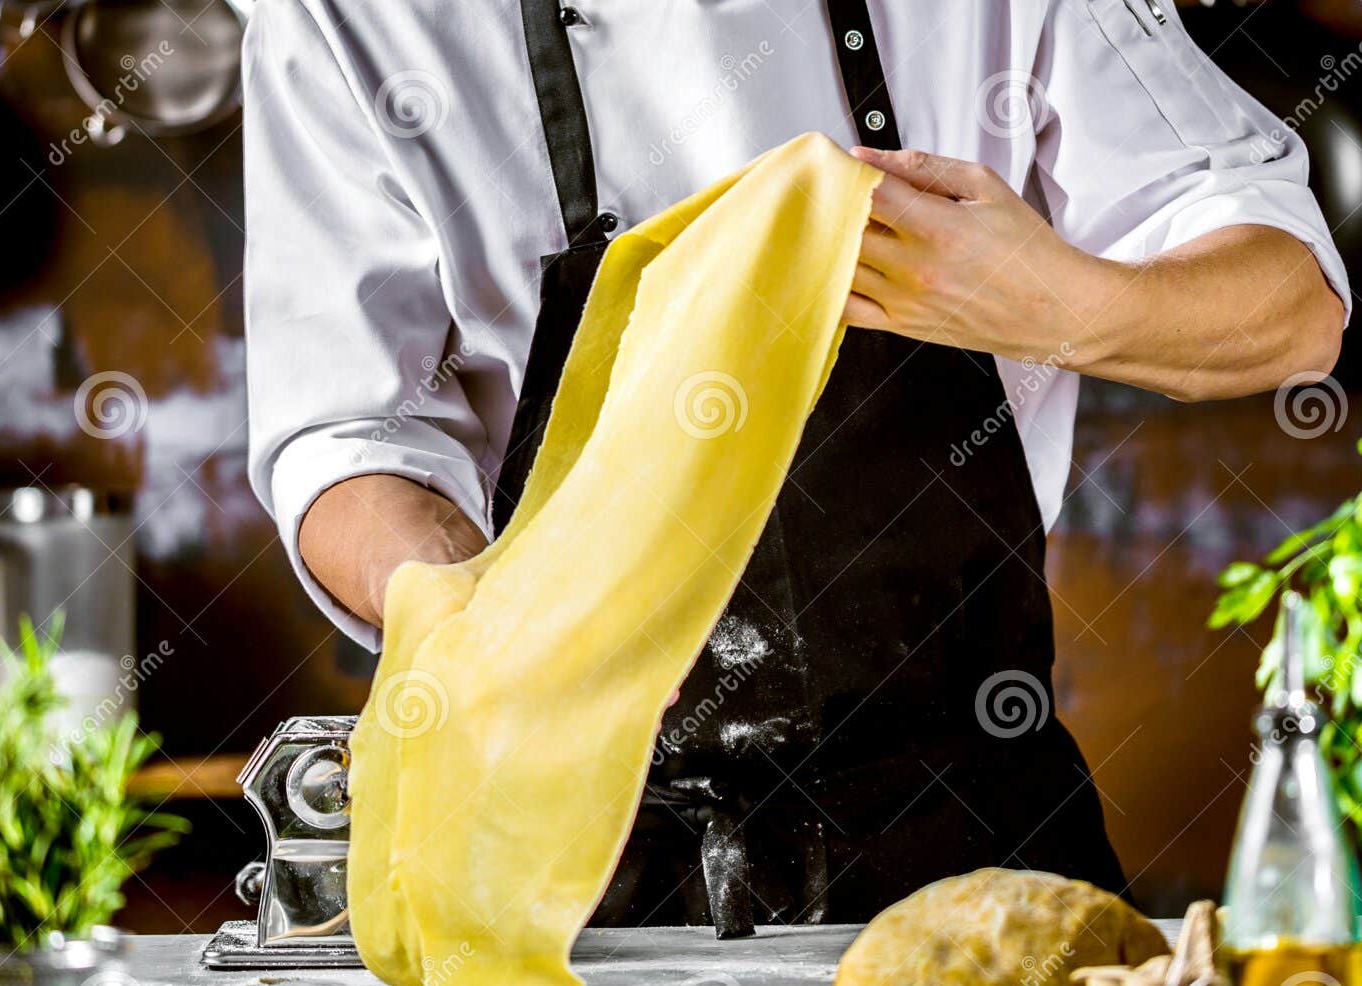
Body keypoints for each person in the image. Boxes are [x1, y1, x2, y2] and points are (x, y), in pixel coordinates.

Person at [243, 0, 1346, 924]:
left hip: (971, 840)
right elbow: (349, 435)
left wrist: (1067, 303)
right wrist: (473, 609)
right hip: (561, 860)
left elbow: (1289, 304)